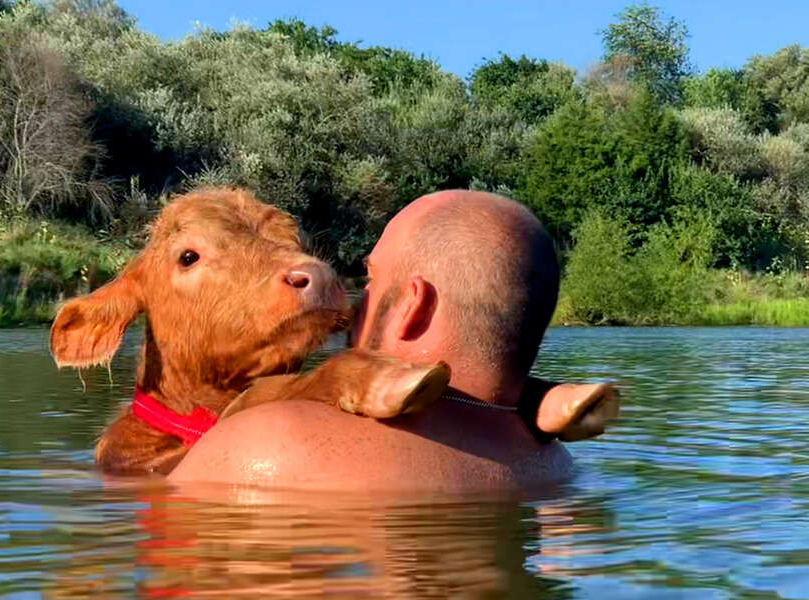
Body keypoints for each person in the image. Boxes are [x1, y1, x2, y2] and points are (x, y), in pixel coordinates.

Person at [167, 190, 576, 491]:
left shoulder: (270, 444)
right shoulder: (554, 464)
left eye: (372, 280)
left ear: (413, 307)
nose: (357, 304)